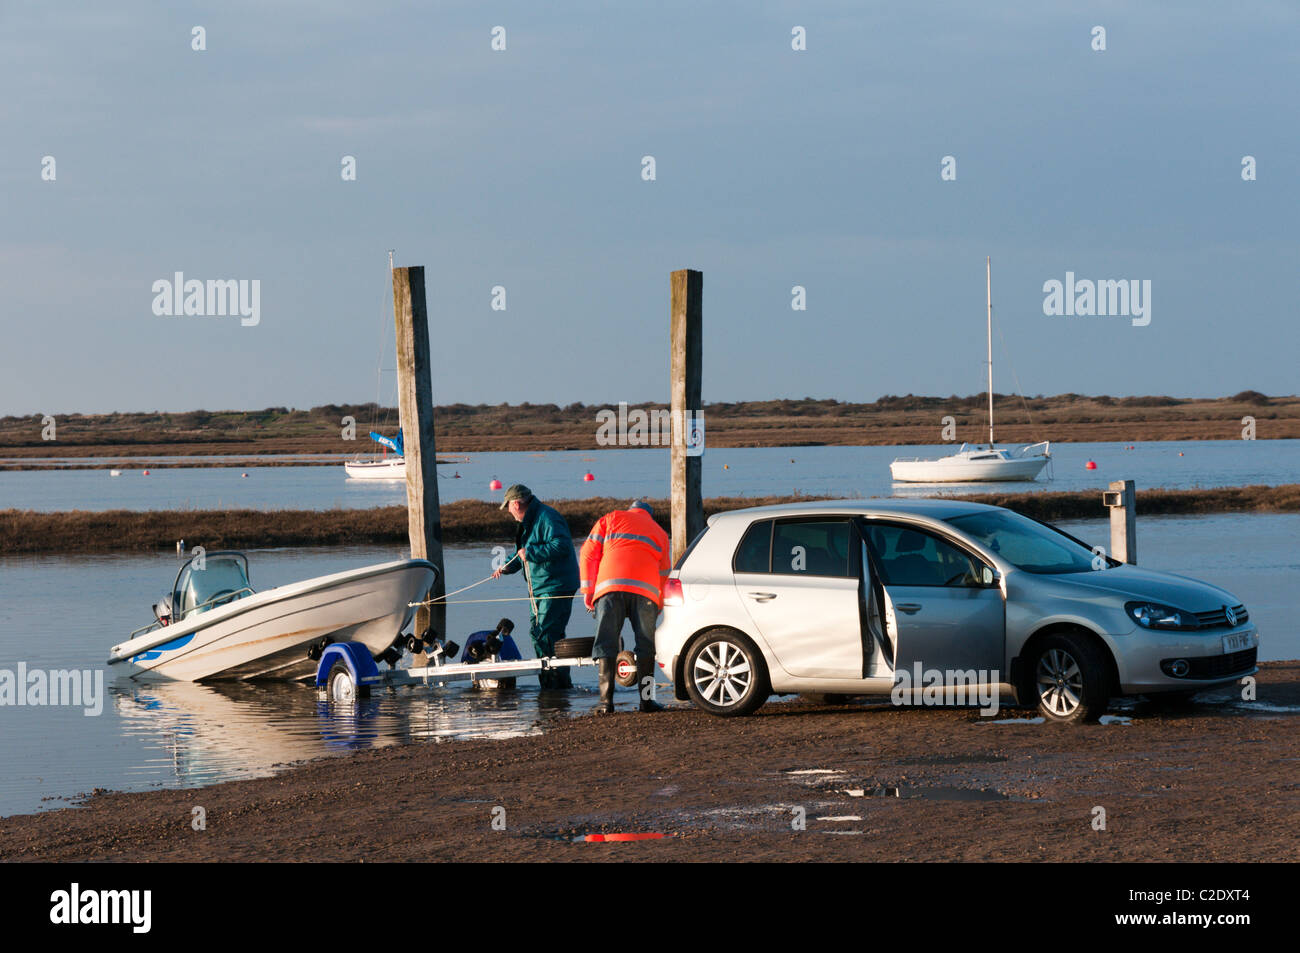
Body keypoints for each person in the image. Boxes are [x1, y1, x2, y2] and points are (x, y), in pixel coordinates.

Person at [579, 500, 671, 713]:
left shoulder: (611, 518)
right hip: (645, 593)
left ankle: (605, 703)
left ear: (631, 510)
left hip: (609, 589)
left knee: (606, 644)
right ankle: (647, 701)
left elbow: (588, 553)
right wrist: (658, 603)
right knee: (646, 647)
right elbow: (664, 573)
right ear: (649, 515)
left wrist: (588, 591)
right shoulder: (659, 532)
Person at [492, 484, 580, 690]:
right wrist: (505, 567)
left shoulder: (547, 517)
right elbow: (520, 553)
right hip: (538, 587)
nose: (508, 511)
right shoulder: (528, 521)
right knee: (544, 633)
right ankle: (557, 684)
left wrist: (531, 552)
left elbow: (562, 545)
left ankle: (552, 684)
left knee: (543, 633)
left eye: (508, 507)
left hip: (555, 585)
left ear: (516, 504)